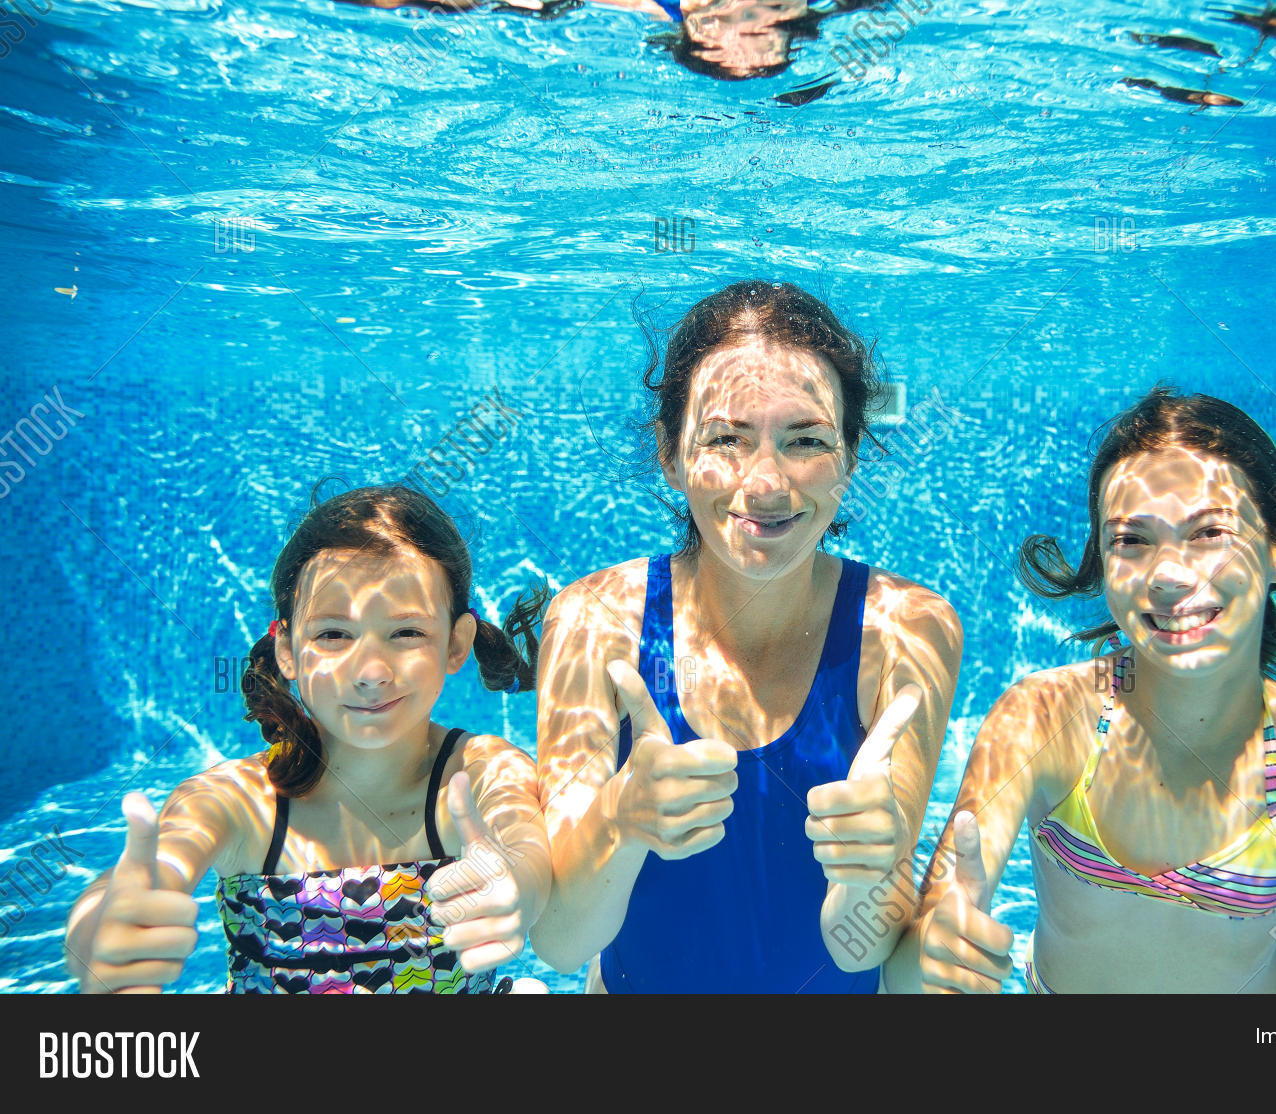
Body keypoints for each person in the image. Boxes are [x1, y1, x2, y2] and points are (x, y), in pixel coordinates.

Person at [886, 386, 1276, 993]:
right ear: (1103, 561)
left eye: (1210, 533)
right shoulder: (1042, 718)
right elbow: (915, 963)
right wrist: (931, 953)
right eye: (1132, 540)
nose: (1170, 576)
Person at [529, 280, 962, 992]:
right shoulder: (593, 621)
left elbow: (863, 951)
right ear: (670, 455)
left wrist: (869, 871)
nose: (765, 483)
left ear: (850, 456)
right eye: (726, 438)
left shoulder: (907, 629)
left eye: (806, 440)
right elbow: (562, 939)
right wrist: (621, 819)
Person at [64, 483, 553, 993]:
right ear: (287, 650)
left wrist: (517, 888)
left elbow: (522, 843)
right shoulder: (242, 799)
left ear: (456, 644)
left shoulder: (476, 772)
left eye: (406, 632)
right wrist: (101, 924)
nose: (370, 672)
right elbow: (162, 860)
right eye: (333, 634)